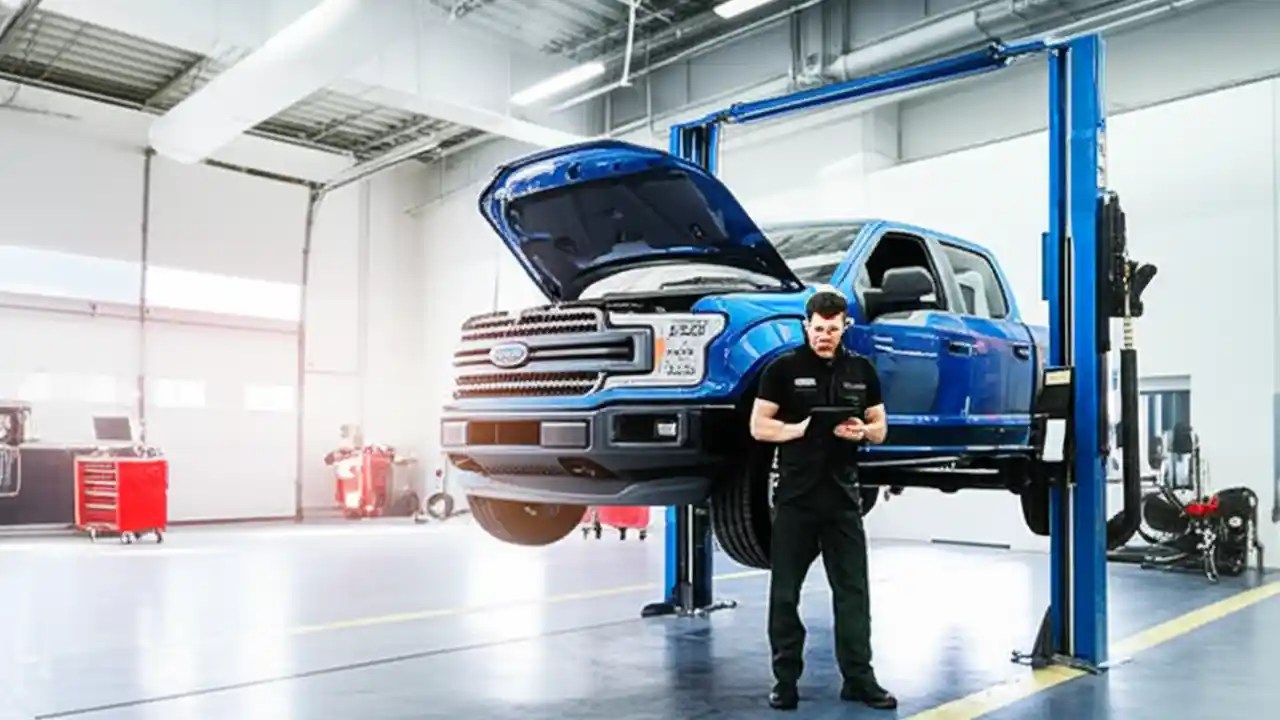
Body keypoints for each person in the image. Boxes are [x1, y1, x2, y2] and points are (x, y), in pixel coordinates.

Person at [749, 286, 896, 711]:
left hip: (843, 501)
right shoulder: (781, 369)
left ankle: (859, 679)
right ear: (806, 327)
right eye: (817, 329)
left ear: (843, 327)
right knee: (785, 594)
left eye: (831, 329)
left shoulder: (862, 370)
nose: (824, 336)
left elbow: (880, 426)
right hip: (796, 500)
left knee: (853, 593)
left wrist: (862, 433)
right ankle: (785, 681)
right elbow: (759, 426)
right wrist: (802, 428)